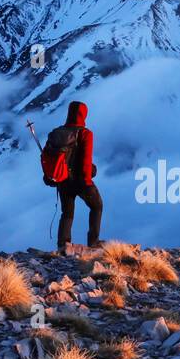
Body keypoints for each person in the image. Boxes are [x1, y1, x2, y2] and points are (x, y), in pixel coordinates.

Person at [51, 100, 102, 253]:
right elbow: (86, 161)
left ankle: (63, 245)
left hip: (63, 180)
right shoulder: (85, 134)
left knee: (67, 212)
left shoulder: (57, 133)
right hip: (80, 181)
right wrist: (87, 181)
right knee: (97, 206)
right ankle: (93, 242)